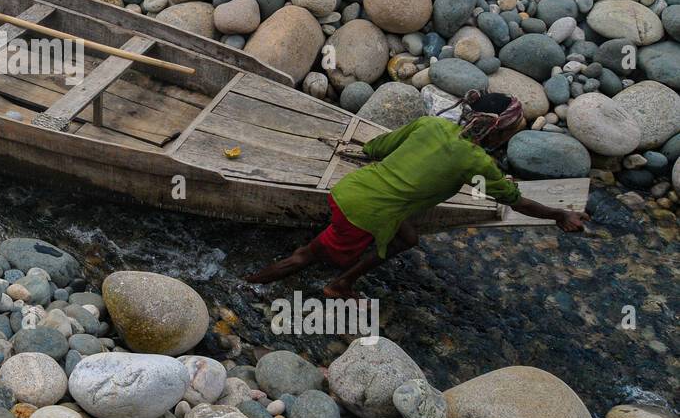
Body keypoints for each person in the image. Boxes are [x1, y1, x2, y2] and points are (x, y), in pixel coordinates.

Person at [246, 91, 590, 299]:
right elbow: (517, 202)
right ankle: (248, 284)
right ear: (497, 135)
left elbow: (376, 148)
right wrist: (560, 215)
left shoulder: (431, 125)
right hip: (365, 213)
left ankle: (344, 281)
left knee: (407, 239)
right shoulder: (478, 162)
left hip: (351, 190)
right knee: (305, 256)